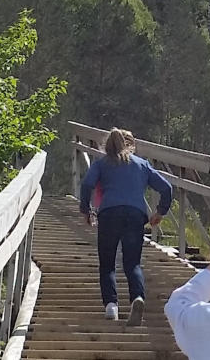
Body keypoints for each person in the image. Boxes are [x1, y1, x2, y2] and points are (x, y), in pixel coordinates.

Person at [78, 128, 173, 326]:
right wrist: (160, 212)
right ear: (129, 145)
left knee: (107, 262)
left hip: (109, 214)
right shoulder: (141, 164)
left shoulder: (101, 164)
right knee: (133, 263)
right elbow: (166, 188)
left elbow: (87, 184)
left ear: (108, 145)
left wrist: (86, 210)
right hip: (135, 215)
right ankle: (137, 298)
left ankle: (111, 306)